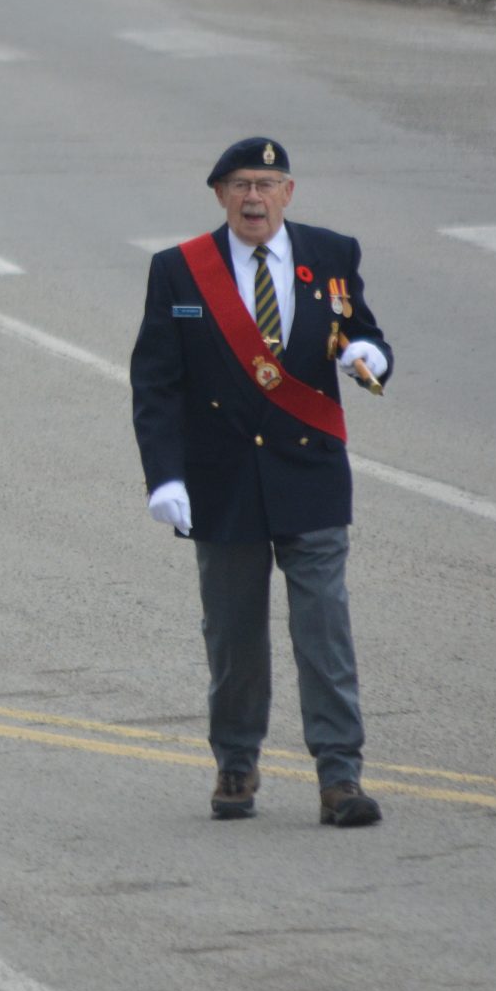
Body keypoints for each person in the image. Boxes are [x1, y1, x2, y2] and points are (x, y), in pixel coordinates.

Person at [131, 138, 393, 829]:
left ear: (289, 192)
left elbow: (359, 331)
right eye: (241, 184)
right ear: (219, 195)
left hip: (309, 471)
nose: (254, 197)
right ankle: (237, 764)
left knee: (325, 630)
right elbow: (155, 384)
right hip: (223, 481)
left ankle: (340, 776)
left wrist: (370, 354)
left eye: (267, 184)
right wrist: (165, 476)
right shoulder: (180, 271)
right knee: (235, 636)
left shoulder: (332, 254)